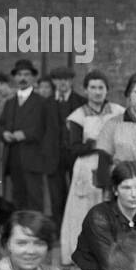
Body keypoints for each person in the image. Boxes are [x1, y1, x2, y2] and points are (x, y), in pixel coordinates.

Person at [61, 71, 125, 265]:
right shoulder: (78, 116)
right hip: (87, 167)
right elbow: (74, 148)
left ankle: (110, 252)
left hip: (112, 164)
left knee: (110, 207)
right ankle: (82, 252)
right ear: (86, 90)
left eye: (101, 88)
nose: (97, 92)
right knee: (85, 209)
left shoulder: (117, 111)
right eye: (93, 88)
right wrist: (95, 143)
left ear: (107, 90)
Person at [0, 59, 60, 214]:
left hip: (34, 157)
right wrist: (4, 133)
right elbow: (0, 125)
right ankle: (20, 232)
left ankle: (36, 234)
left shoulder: (42, 102)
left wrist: (25, 134)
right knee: (17, 197)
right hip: (13, 157)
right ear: (15, 78)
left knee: (35, 198)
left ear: (33, 78)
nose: (22, 78)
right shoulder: (9, 103)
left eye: (26, 74)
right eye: (19, 75)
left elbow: (48, 130)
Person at [47, 67, 86, 225]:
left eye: (66, 79)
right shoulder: (46, 103)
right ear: (54, 81)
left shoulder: (81, 102)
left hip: (75, 155)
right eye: (58, 79)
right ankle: (58, 229)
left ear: (71, 81)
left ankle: (75, 227)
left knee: (76, 192)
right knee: (56, 195)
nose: (62, 83)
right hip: (53, 156)